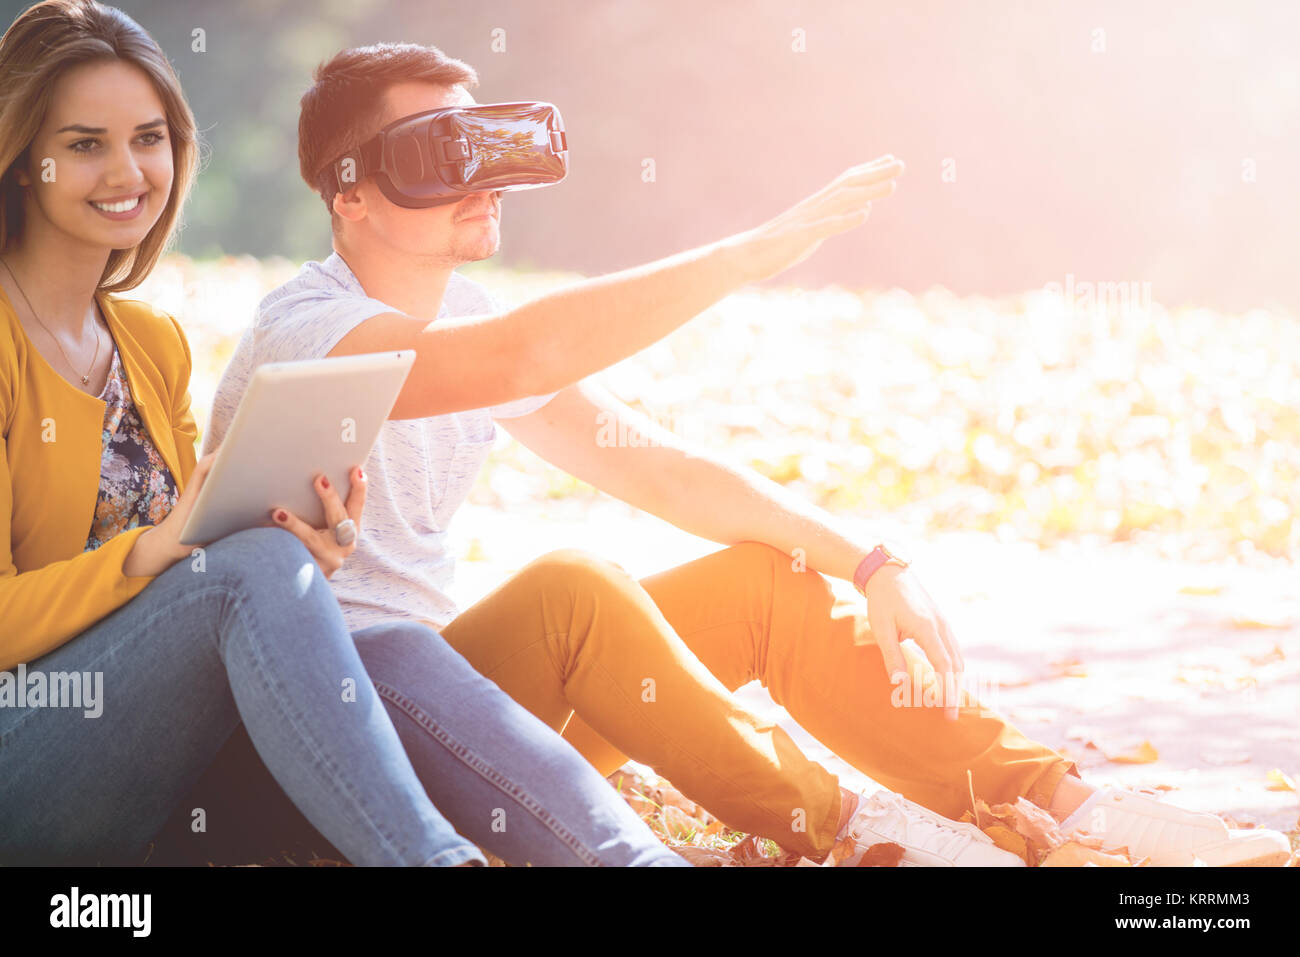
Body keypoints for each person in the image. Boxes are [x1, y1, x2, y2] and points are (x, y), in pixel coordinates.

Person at [206, 39, 1294, 868]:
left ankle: (1065, 811)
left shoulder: (473, 317)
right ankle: (866, 833)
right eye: (435, 155)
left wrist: (868, 561)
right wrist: (756, 253)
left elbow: (653, 464)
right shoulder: (311, 329)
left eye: (481, 142)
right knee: (573, 589)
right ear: (349, 191)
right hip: (347, 746)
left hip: (473, 723)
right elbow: (515, 352)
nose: (479, 175)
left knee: (761, 584)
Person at [0, 0, 689, 868]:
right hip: (26, 764)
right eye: (86, 143)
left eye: (149, 137)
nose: (129, 169)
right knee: (247, 569)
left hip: (159, 771)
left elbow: (190, 567)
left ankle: (632, 860)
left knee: (385, 641)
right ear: (25, 159)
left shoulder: (150, 345)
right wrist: (169, 554)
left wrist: (295, 551)